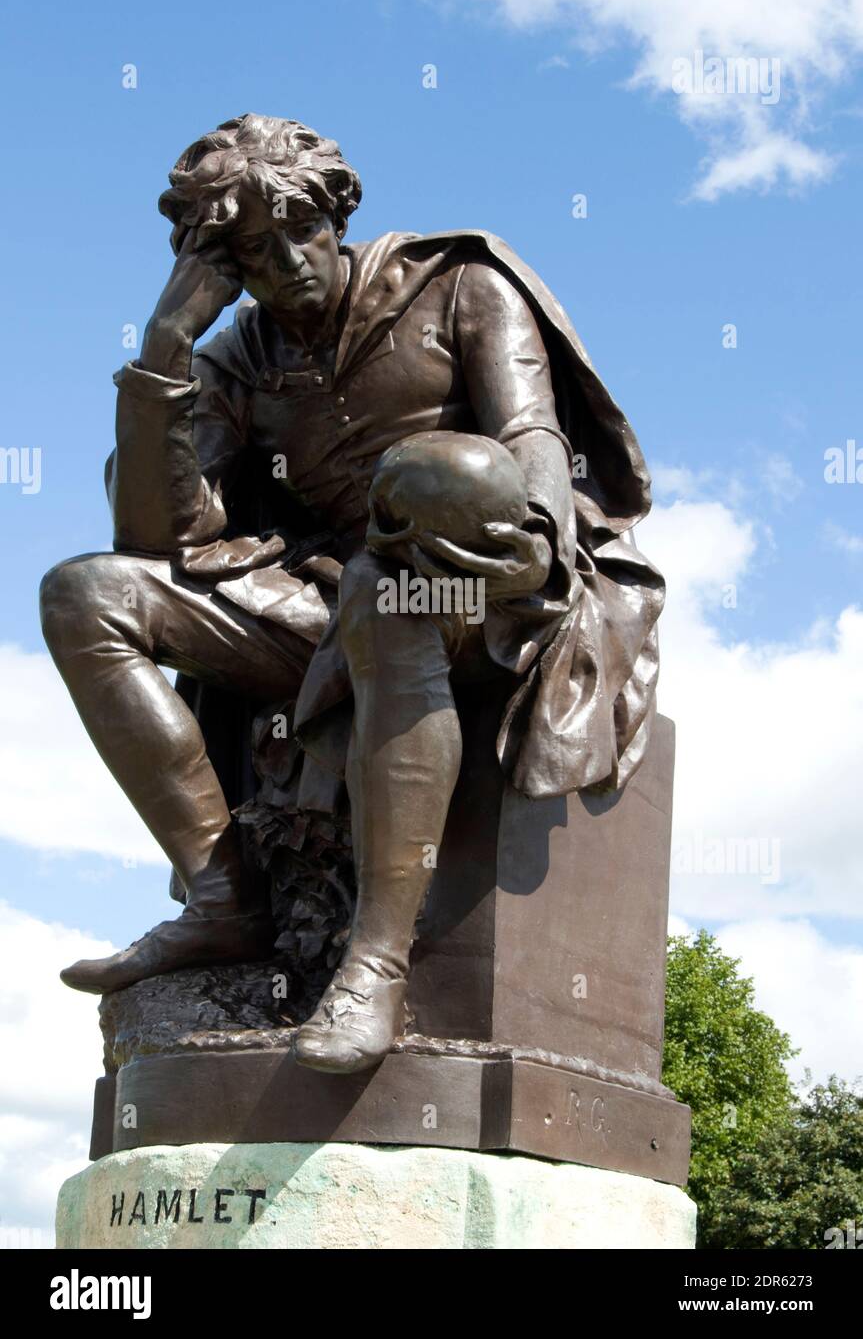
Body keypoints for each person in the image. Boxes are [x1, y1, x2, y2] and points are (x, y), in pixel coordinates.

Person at [40, 114, 663, 1073]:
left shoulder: (457, 282)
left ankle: (374, 965)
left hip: (488, 581)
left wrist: (534, 542)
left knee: (408, 534)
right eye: (250, 250)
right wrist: (167, 341)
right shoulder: (235, 359)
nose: (285, 262)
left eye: (299, 230)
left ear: (339, 213)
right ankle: (221, 899)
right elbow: (155, 539)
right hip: (327, 605)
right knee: (87, 594)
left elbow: (533, 435)